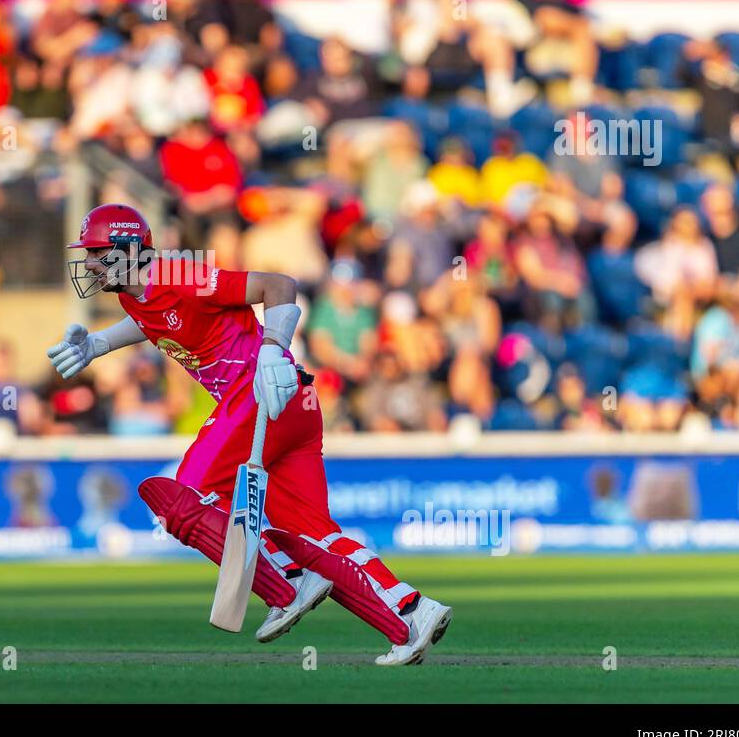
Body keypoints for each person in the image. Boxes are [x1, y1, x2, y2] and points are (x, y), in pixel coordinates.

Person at [47, 203, 453, 665]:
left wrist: (274, 348)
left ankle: (284, 584)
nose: (91, 264)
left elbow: (278, 285)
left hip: (258, 393)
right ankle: (411, 615)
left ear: (125, 248)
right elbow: (152, 318)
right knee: (314, 535)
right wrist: (98, 344)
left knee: (185, 496)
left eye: (98, 252)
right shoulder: (134, 295)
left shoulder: (179, 273)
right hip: (294, 403)